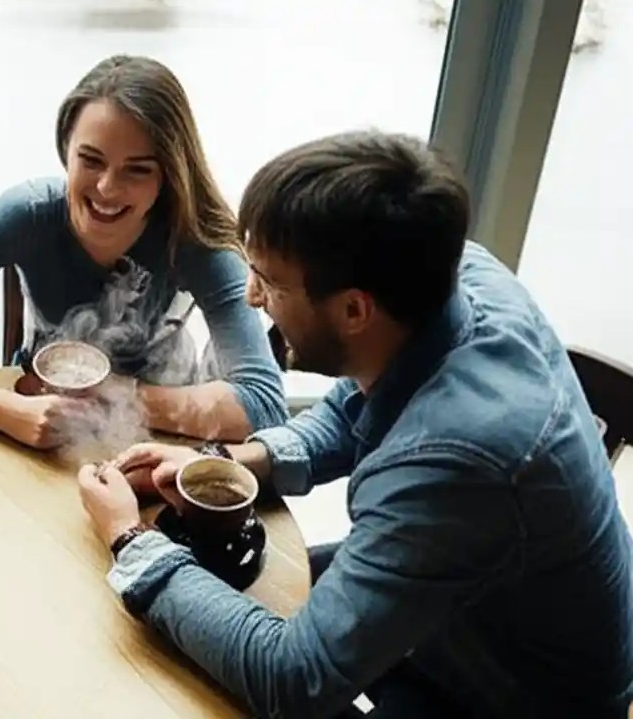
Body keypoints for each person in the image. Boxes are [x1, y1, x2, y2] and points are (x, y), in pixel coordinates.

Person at [75, 131, 633, 717]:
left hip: (502, 694)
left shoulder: (458, 464)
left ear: (353, 309)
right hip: (468, 611)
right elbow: (356, 404)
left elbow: (293, 680)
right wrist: (228, 464)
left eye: (269, 281)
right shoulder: (454, 272)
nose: (253, 296)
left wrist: (129, 541)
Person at [0, 55, 286, 448]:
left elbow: (264, 405)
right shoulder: (24, 214)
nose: (107, 189)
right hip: (35, 414)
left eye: (138, 169)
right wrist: (10, 412)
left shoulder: (197, 241)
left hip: (164, 431)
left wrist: (110, 398)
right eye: (91, 160)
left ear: (170, 173)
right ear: (66, 150)